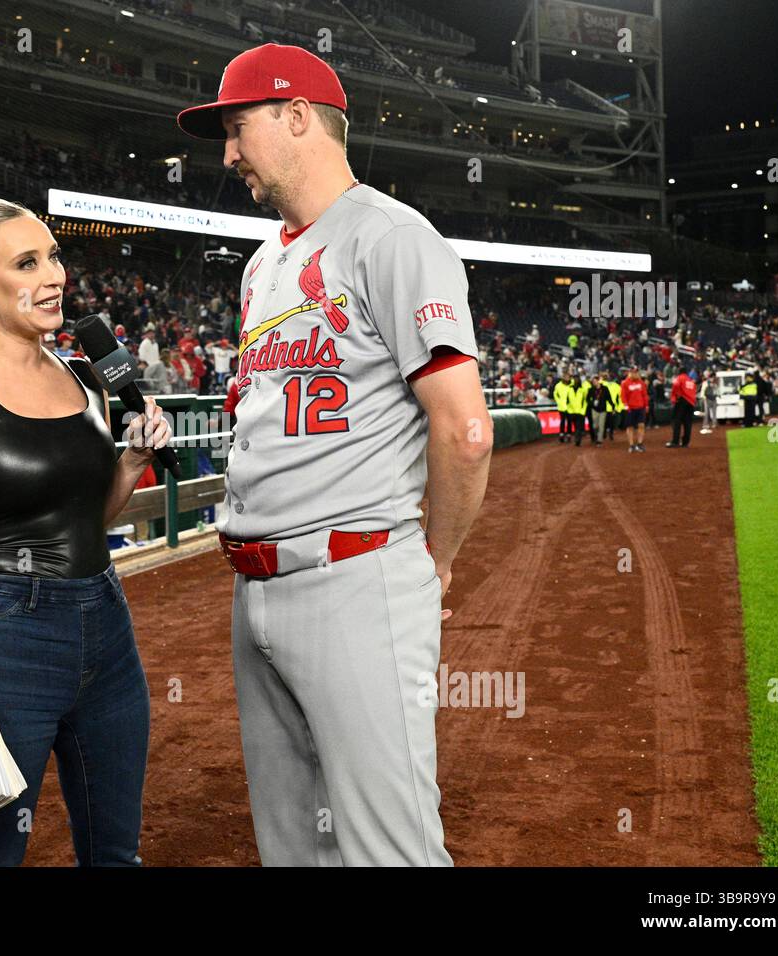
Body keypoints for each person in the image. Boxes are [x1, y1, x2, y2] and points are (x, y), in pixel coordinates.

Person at [177, 42, 491, 866]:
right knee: (293, 850)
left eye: (238, 127)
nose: (229, 152)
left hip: (356, 578)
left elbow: (464, 428)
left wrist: (440, 559)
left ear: (297, 116)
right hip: (254, 587)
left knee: (389, 851)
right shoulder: (260, 265)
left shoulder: (391, 235)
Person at [0, 196, 171, 866]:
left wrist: (131, 462)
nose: (54, 277)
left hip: (106, 625)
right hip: (1, 638)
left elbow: (84, 520)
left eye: (53, 256)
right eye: (27, 262)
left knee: (115, 856)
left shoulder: (87, 381)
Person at [665, 369, 697, 448]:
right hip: (691, 403)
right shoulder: (690, 380)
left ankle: (675, 442)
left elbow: (675, 385)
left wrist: (674, 398)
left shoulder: (679, 378)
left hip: (682, 400)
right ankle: (685, 443)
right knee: (688, 423)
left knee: (676, 421)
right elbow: (694, 391)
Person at [620, 366, 649, 452]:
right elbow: (623, 396)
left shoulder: (641, 383)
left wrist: (646, 405)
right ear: (630, 373)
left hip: (640, 407)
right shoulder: (625, 383)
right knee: (630, 427)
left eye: (636, 372)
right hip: (630, 408)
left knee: (641, 425)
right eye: (633, 372)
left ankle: (640, 443)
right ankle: (631, 445)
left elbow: (644, 395)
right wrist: (626, 406)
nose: (635, 374)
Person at [586, 373, 611, 446]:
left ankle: (599, 440)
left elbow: (608, 398)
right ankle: (596, 435)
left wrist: (612, 406)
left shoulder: (605, 388)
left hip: (603, 409)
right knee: (595, 426)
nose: (594, 383)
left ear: (598, 381)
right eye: (593, 382)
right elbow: (587, 399)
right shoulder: (591, 389)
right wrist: (592, 403)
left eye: (595, 381)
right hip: (594, 409)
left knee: (601, 425)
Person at [567, 372, 589, 447]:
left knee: (578, 427)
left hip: (580, 412)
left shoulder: (583, 390)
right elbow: (567, 401)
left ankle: (577, 440)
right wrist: (569, 410)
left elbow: (585, 401)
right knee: (576, 427)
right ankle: (577, 438)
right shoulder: (569, 389)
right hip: (572, 412)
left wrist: (583, 410)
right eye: (574, 378)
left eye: (577, 378)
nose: (576, 380)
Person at [553, 371, 571, 443]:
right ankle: (561, 434)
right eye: (565, 376)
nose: (567, 378)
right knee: (562, 421)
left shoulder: (571, 385)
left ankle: (569, 434)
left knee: (569, 421)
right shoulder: (558, 385)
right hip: (561, 406)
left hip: (570, 406)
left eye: (568, 377)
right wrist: (558, 401)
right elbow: (555, 394)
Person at [700, 370, 718, 434]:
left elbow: (716, 391)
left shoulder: (715, 383)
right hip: (707, 399)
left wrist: (716, 396)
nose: (713, 378)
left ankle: (714, 424)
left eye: (713, 377)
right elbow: (702, 391)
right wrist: (704, 398)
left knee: (714, 413)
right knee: (706, 413)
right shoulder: (706, 383)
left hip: (713, 399)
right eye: (712, 377)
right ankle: (705, 424)